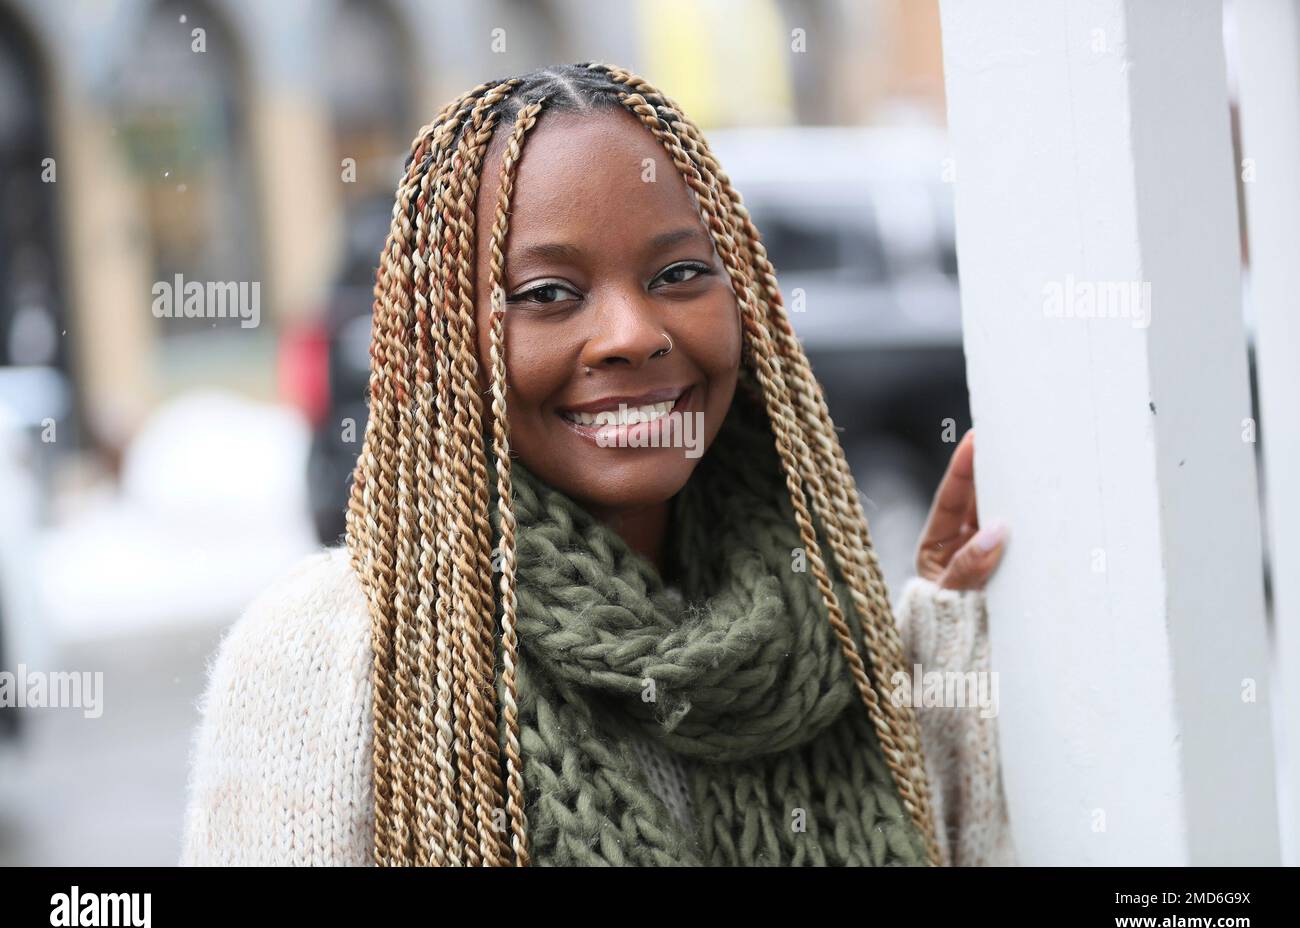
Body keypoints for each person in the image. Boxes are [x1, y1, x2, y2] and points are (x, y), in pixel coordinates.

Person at [180, 62, 1014, 867]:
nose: (632, 334)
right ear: (441, 341)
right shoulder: (328, 657)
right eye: (548, 293)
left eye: (680, 273)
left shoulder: (831, 623)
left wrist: (941, 648)